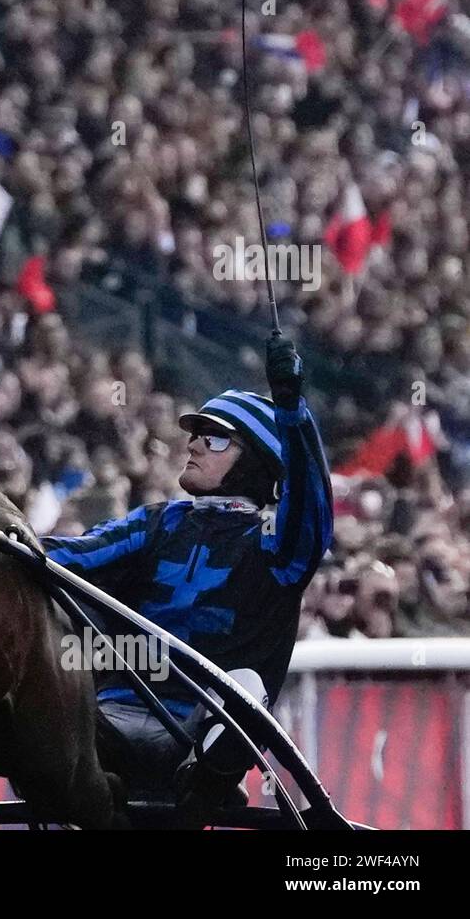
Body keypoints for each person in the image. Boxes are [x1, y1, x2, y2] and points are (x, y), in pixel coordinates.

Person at [39, 335, 334, 818]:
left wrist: (292, 412)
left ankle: (200, 793)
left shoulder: (276, 544)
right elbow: (56, 559)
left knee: (244, 686)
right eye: (194, 434)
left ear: (258, 462)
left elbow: (313, 509)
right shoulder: (156, 522)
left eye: (215, 437)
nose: (194, 444)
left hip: (203, 733)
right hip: (103, 721)